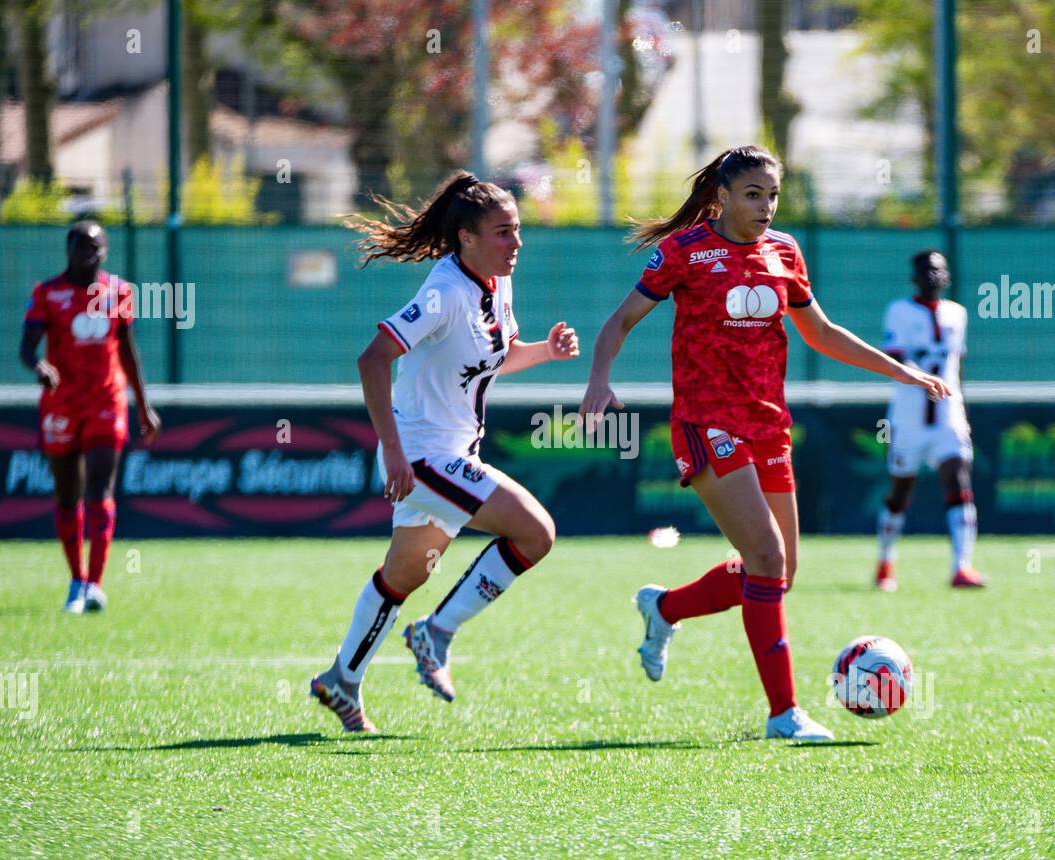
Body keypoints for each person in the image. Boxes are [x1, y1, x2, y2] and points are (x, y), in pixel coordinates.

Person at [580, 145, 951, 741]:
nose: (766, 206)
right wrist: (599, 380)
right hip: (707, 421)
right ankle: (784, 714)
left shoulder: (785, 252)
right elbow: (620, 321)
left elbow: (822, 333)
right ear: (723, 197)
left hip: (767, 424)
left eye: (773, 195)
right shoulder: (684, 251)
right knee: (768, 560)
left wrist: (900, 372)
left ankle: (664, 608)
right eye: (754, 194)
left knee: (779, 573)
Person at [310, 171, 580, 733]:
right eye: (503, 232)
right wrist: (392, 452)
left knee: (402, 576)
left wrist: (545, 353)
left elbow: (491, 358)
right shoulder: (444, 291)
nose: (516, 244)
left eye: (518, 230)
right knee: (536, 532)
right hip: (424, 459)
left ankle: (341, 679)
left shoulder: (495, 281)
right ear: (467, 238)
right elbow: (372, 358)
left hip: (445, 455)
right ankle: (435, 633)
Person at [19, 220, 160, 613]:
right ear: (69, 249)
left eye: (97, 247)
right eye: (83, 246)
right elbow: (26, 348)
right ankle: (76, 578)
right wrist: (40, 367)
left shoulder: (117, 293)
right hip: (62, 406)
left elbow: (128, 352)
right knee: (68, 494)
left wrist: (143, 406)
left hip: (105, 401)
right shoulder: (47, 294)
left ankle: (95, 585)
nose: (90, 253)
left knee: (100, 487)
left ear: (106, 251)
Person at [874, 250, 986, 591]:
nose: (933, 276)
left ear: (948, 276)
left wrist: (962, 409)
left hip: (948, 416)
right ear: (914, 277)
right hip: (909, 417)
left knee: (958, 479)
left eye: (938, 270)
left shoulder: (958, 314)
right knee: (901, 490)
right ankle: (885, 561)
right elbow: (892, 359)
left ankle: (961, 566)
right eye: (926, 271)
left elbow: (958, 365)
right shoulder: (899, 311)